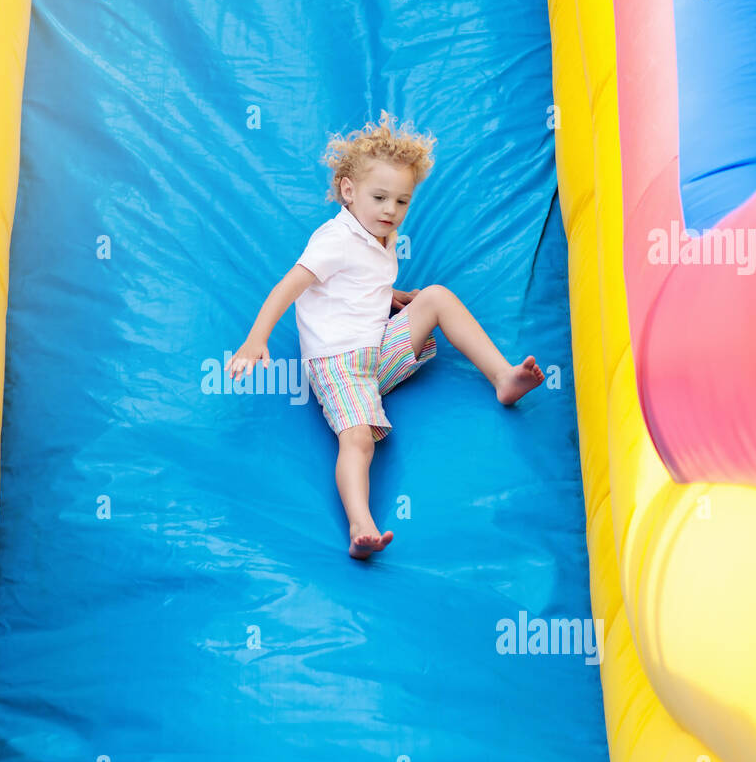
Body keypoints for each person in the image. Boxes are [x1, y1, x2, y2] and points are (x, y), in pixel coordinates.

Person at [226, 112, 544, 559]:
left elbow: (358, 278)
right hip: (340, 365)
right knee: (357, 439)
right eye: (379, 198)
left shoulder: (381, 232)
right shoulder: (334, 240)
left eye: (402, 201)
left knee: (435, 296)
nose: (391, 211)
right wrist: (256, 340)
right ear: (348, 191)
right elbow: (289, 286)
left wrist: (389, 295)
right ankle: (361, 526)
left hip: (376, 348)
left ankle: (503, 378)